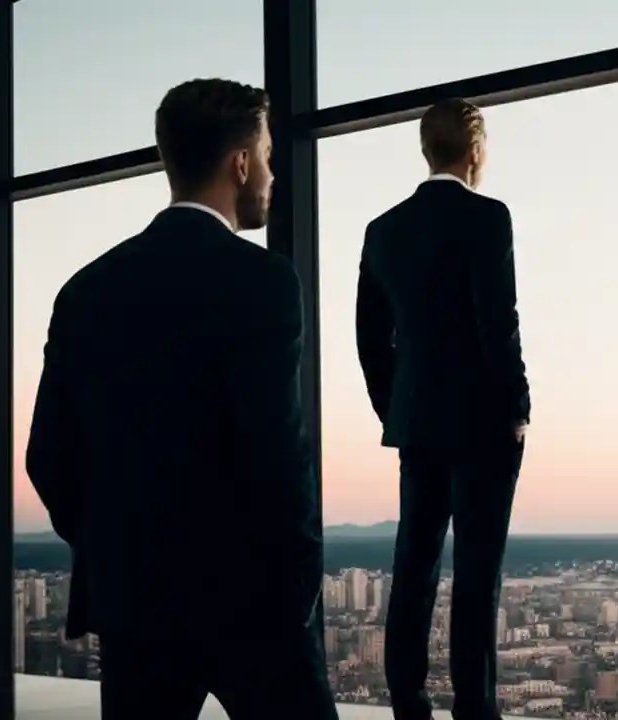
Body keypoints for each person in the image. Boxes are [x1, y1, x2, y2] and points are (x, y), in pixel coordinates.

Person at [26, 78, 336, 720]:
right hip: (251, 605)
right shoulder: (262, 283)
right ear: (241, 162)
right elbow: (280, 458)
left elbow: (47, 457)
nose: (272, 175)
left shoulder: (86, 290)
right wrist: (296, 591)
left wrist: (119, 544)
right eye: (270, 157)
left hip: (135, 604)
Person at [356, 98, 531, 720]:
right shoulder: (488, 219)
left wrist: (394, 410)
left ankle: (409, 704)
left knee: (415, 566)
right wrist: (517, 405)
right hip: (483, 422)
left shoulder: (384, 230)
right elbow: (497, 322)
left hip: (417, 424)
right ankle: (474, 711)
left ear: (426, 148)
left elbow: (369, 341)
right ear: (476, 152)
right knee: (477, 576)